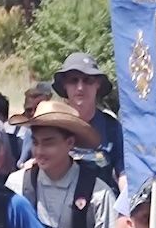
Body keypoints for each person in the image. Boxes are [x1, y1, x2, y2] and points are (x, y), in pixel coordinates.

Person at [51, 52, 125, 190]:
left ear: (98, 85)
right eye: (73, 80)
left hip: (102, 200)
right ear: (65, 85)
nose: (80, 87)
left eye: (88, 80)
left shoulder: (112, 128)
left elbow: (123, 174)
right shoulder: (50, 124)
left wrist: (127, 201)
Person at [16, 82, 54, 168]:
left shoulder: (60, 130)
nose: (33, 113)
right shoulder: (14, 130)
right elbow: (20, 163)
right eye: (29, 110)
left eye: (37, 109)